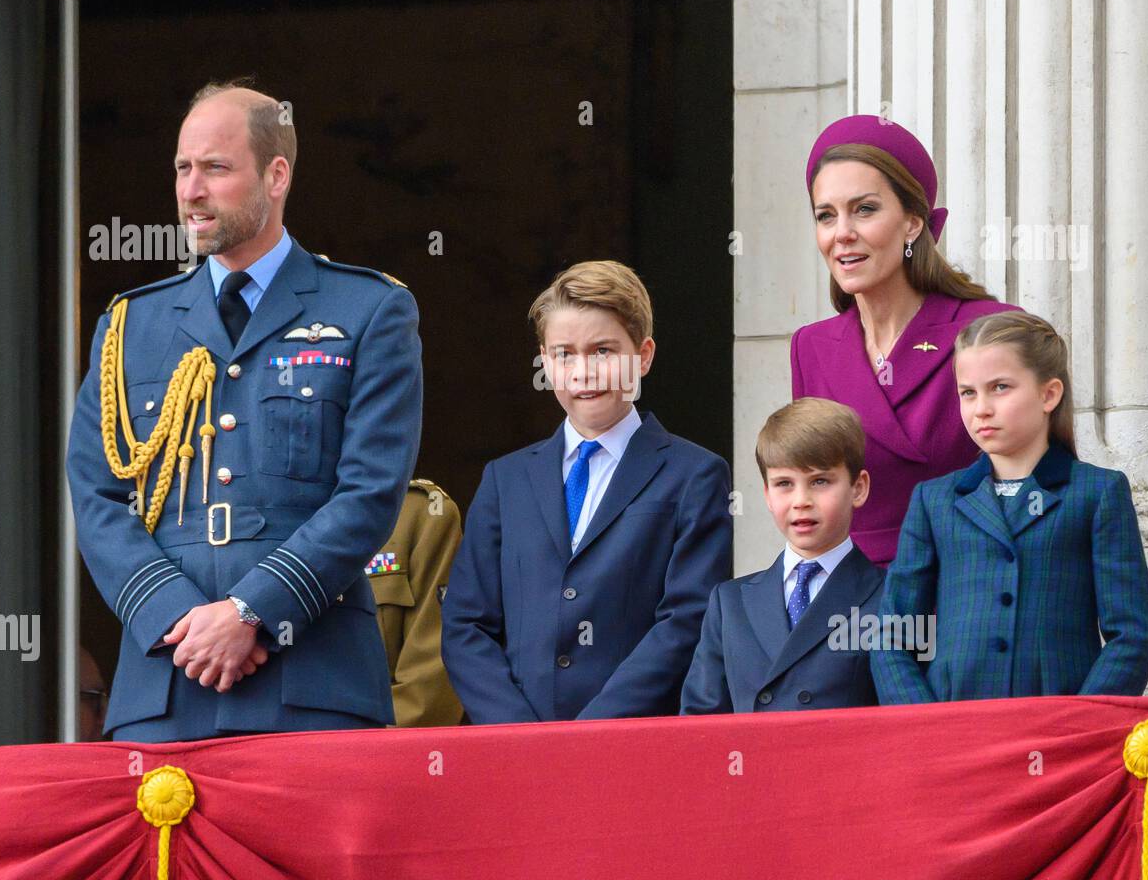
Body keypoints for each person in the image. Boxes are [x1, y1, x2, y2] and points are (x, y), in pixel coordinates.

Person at [66, 80, 423, 741]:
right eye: (182, 168)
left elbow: (370, 493)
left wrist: (253, 611)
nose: (191, 190)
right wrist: (177, 617)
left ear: (276, 174)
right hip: (167, 687)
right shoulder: (129, 325)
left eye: (215, 168)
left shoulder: (367, 310)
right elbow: (95, 496)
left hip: (315, 689)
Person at [442, 261, 733, 723]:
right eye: (564, 354)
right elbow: (466, 623)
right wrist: (516, 732)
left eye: (603, 351)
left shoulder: (695, 475)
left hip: (633, 744)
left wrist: (594, 731)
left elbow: (687, 619)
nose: (583, 371)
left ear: (643, 355)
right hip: (517, 750)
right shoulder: (505, 479)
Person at [871, 312, 1148, 703]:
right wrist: (924, 725)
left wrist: (1077, 722)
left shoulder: (1097, 493)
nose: (980, 408)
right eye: (968, 392)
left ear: (1048, 394)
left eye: (1000, 387)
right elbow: (893, 636)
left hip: (1060, 732)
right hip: (953, 731)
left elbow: (1132, 637)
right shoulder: (934, 500)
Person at [792, 115, 1021, 566]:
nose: (842, 233)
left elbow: (1032, 491)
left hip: (963, 594)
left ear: (913, 223)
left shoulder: (993, 331)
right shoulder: (810, 347)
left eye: (865, 209)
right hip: (848, 604)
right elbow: (811, 491)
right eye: (826, 216)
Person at [681, 398, 886, 714]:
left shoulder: (891, 596)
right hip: (750, 764)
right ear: (766, 495)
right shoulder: (729, 603)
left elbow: (906, 720)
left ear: (858, 488)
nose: (801, 500)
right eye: (784, 484)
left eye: (820, 481)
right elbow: (700, 724)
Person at [368, 477, 465, 727]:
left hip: (373, 749)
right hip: (269, 748)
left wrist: (349, 754)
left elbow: (429, 685)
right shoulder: (262, 517)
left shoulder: (420, 512)